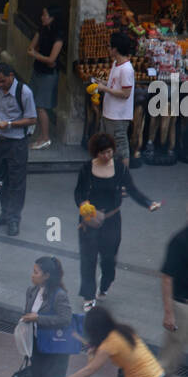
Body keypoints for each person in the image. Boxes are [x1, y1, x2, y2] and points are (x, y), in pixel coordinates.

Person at [74, 132, 161, 312]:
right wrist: (83, 205)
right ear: (95, 153)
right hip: (89, 220)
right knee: (87, 259)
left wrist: (148, 203)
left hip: (111, 220)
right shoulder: (86, 168)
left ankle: (106, 283)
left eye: (109, 152)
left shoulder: (120, 168)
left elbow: (132, 190)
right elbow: (79, 192)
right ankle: (88, 296)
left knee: (108, 259)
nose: (106, 156)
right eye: (102, 153)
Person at [0, 63, 37, 236]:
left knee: (17, 181)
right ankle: (5, 212)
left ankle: (14, 218)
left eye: (3, 81)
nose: (1, 85)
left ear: (11, 75)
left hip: (17, 142)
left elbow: (32, 119)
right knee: (1, 178)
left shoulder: (24, 92)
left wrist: (10, 124)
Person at [150, 205, 188, 377]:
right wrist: (168, 313)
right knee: (170, 358)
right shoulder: (180, 241)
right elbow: (167, 277)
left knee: (172, 357)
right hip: (181, 306)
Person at [19, 256, 74, 377]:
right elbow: (28, 312)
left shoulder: (59, 295)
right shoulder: (31, 291)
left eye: (36, 272)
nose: (32, 275)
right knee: (37, 374)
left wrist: (38, 318)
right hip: (38, 342)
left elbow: (65, 319)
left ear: (46, 276)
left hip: (55, 346)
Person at [93, 31, 135, 163]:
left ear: (115, 49)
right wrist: (103, 83)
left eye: (109, 46)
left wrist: (104, 88)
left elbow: (125, 94)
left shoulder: (126, 69)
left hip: (119, 116)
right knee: (107, 146)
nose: (108, 49)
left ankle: (123, 179)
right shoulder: (115, 64)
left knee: (121, 149)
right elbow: (115, 86)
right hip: (109, 113)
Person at [28, 4, 65, 148]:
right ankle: (37, 131)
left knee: (41, 106)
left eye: (45, 15)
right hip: (38, 70)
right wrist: (41, 57)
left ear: (53, 18)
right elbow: (31, 49)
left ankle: (45, 137)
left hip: (48, 75)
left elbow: (52, 59)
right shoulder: (42, 30)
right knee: (33, 102)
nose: (42, 17)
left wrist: (37, 55)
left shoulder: (58, 36)